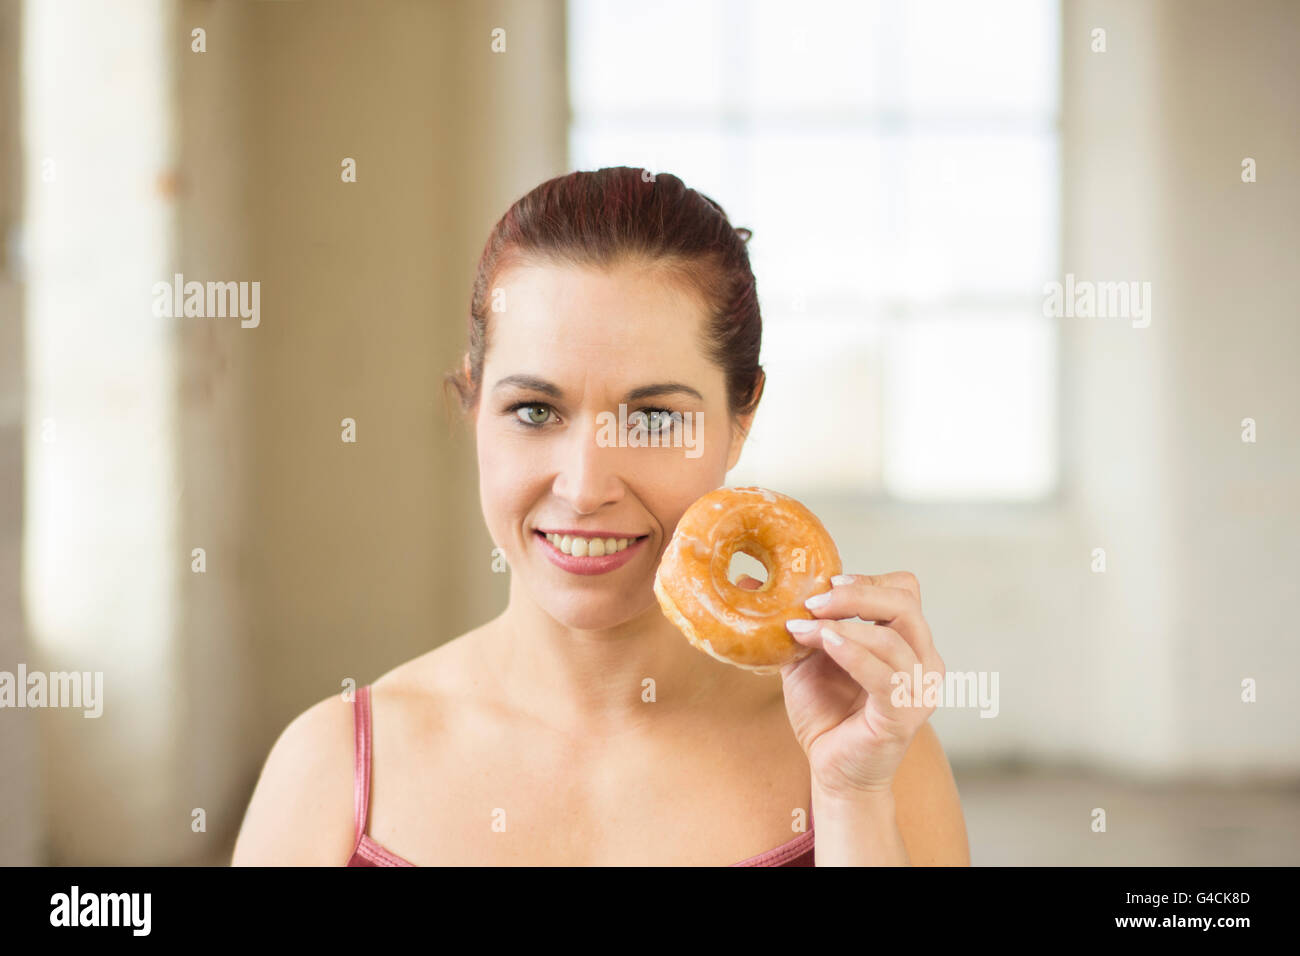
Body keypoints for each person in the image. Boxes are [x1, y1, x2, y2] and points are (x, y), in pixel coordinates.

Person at [232, 167, 969, 866]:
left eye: (652, 419)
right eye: (534, 410)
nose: (585, 488)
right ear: (472, 403)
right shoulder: (333, 767)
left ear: (740, 419)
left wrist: (850, 800)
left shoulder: (874, 757)